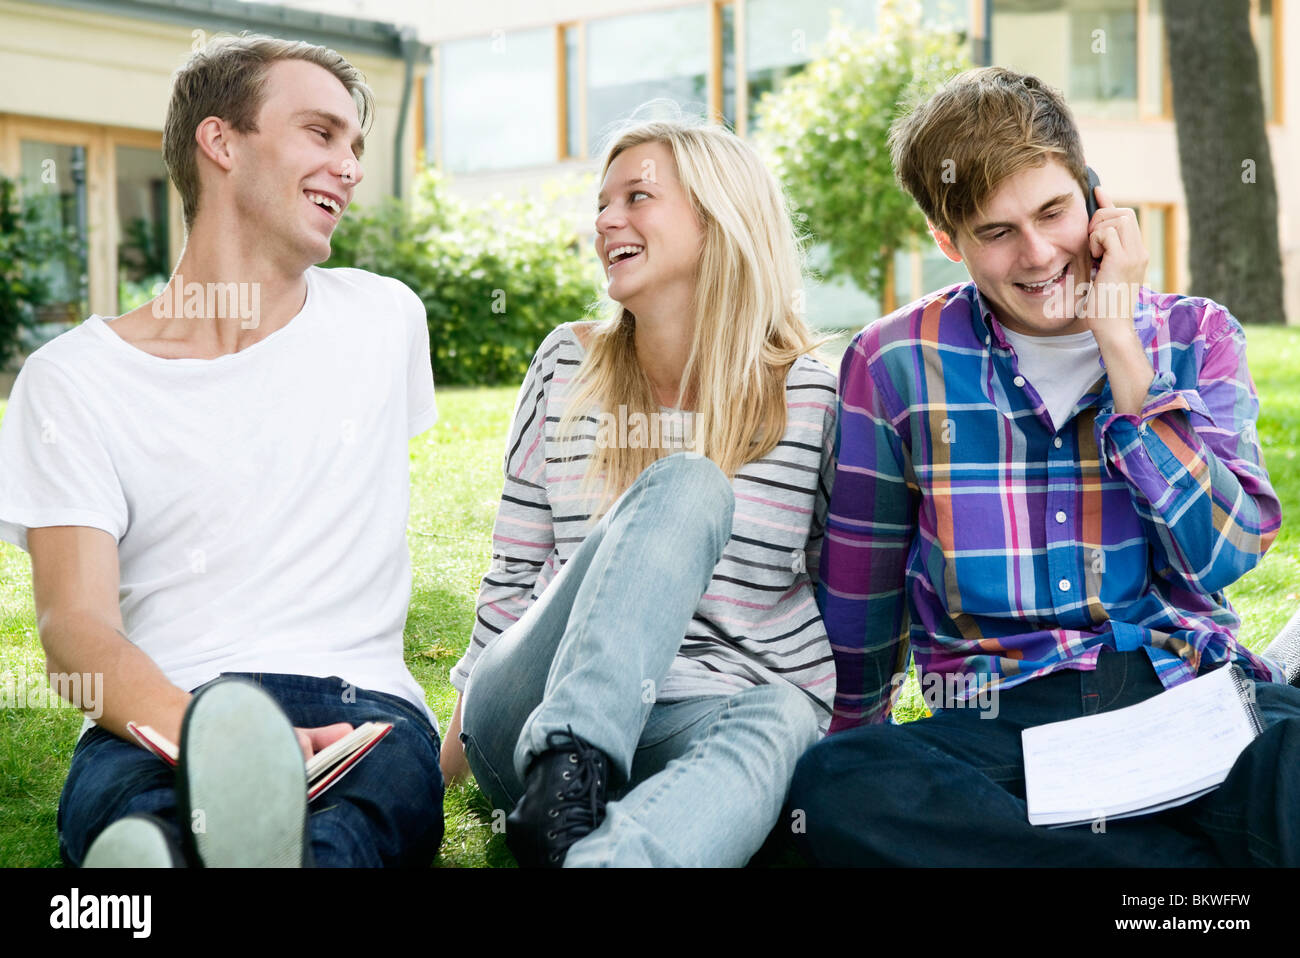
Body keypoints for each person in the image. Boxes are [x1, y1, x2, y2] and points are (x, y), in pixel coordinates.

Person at [788, 66, 1300, 866]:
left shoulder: (1198, 336)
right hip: (1005, 726)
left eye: (1054, 212)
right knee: (840, 785)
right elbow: (864, 599)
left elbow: (1225, 554)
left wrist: (1122, 347)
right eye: (996, 233)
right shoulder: (891, 364)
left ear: (1093, 197)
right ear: (947, 241)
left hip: (1184, 696)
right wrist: (852, 743)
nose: (1038, 255)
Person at [0, 34, 444, 867]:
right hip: (162, 707)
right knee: (142, 819)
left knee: (346, 835)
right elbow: (75, 630)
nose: (349, 166)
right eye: (321, 133)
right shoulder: (73, 382)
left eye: (355, 145)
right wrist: (210, 739)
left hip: (360, 711)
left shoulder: (386, 320)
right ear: (221, 142)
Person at [436, 116, 838, 867]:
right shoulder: (568, 362)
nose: (604, 221)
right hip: (531, 711)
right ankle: (565, 772)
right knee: (689, 484)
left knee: (785, 711)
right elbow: (514, 572)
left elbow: (841, 594)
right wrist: (440, 772)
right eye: (601, 203)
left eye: (637, 197)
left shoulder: (813, 397)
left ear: (719, 223)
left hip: (696, 715)